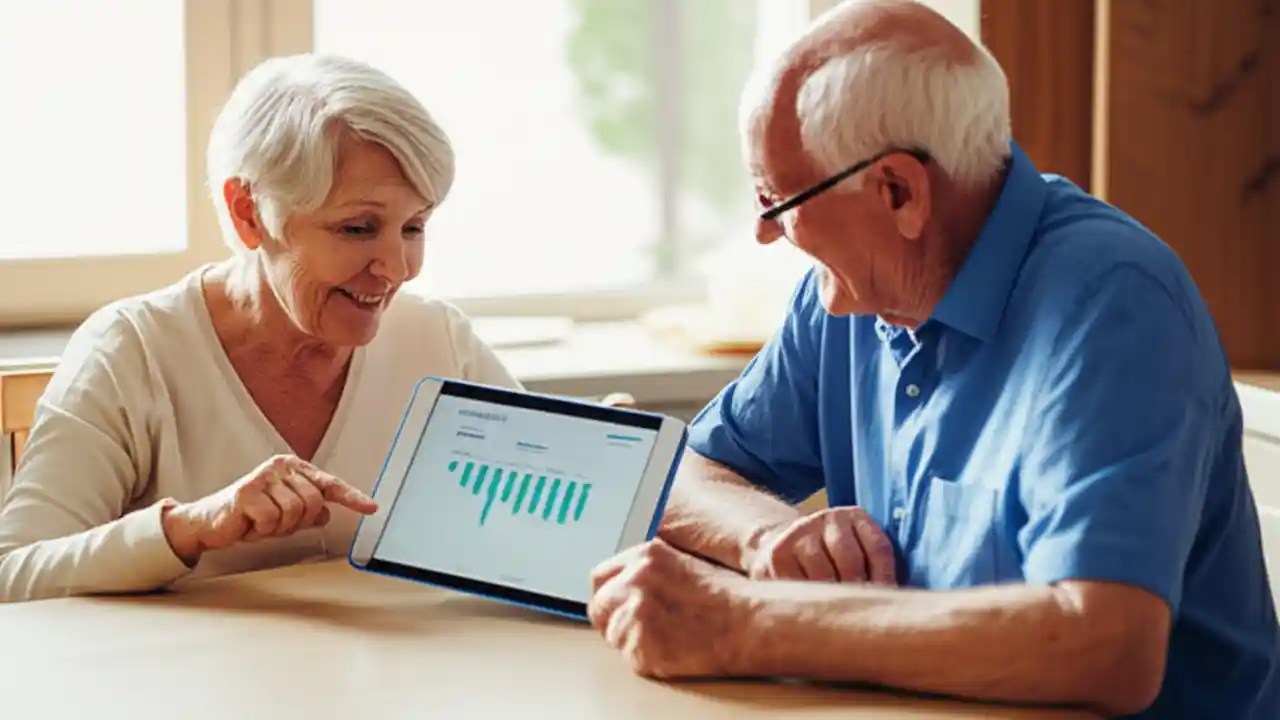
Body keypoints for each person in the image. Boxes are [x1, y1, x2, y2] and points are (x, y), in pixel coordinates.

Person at [586, 1, 1279, 717]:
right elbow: (684, 471)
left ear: (899, 191)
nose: (764, 232)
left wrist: (745, 624)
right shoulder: (849, 298)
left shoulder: (1114, 305)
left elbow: (1105, 645)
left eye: (776, 197)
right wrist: (767, 540)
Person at [0, 54, 522, 602]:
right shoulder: (131, 351)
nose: (397, 268)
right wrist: (190, 528)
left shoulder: (438, 339)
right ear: (249, 212)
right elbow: (12, 578)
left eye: (414, 226)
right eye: (357, 228)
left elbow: (551, 533)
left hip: (408, 681)